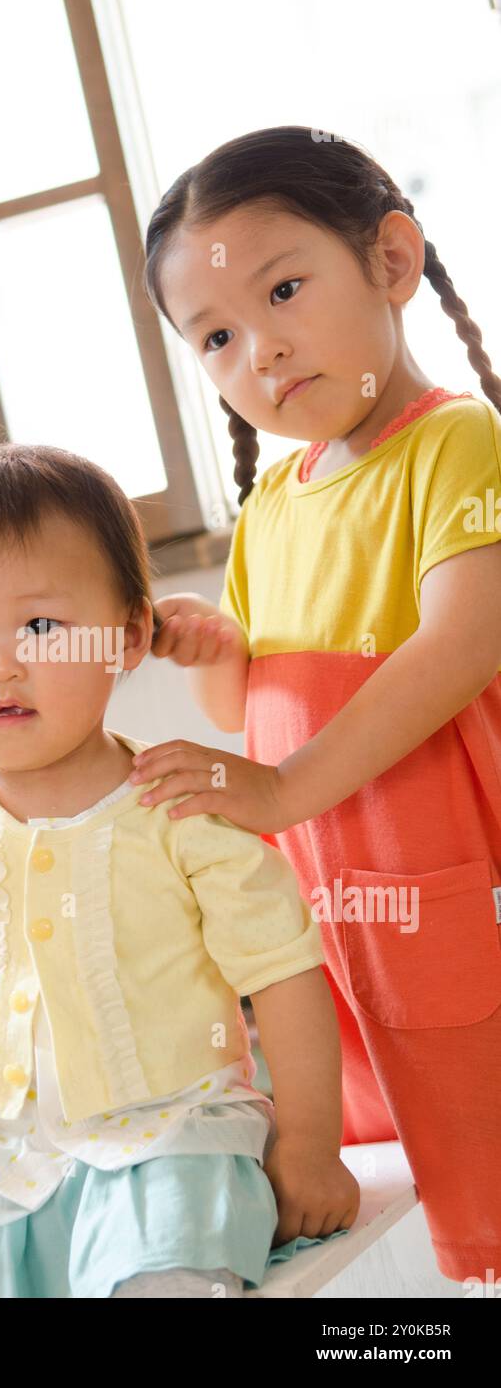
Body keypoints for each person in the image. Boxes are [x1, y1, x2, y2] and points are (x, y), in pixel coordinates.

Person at [0, 442, 356, 1299]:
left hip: (168, 1146)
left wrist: (309, 1143)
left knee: (164, 1281)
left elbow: (284, 969)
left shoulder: (183, 799)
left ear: (123, 638)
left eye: (39, 627)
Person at [136, 124, 501, 1285]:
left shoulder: (455, 441)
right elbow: (251, 698)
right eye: (219, 337)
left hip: (443, 882)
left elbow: (461, 642)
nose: (261, 349)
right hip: (340, 910)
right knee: (390, 1162)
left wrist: (284, 786)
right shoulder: (276, 508)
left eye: (284, 287)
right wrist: (211, 648)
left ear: (391, 259)